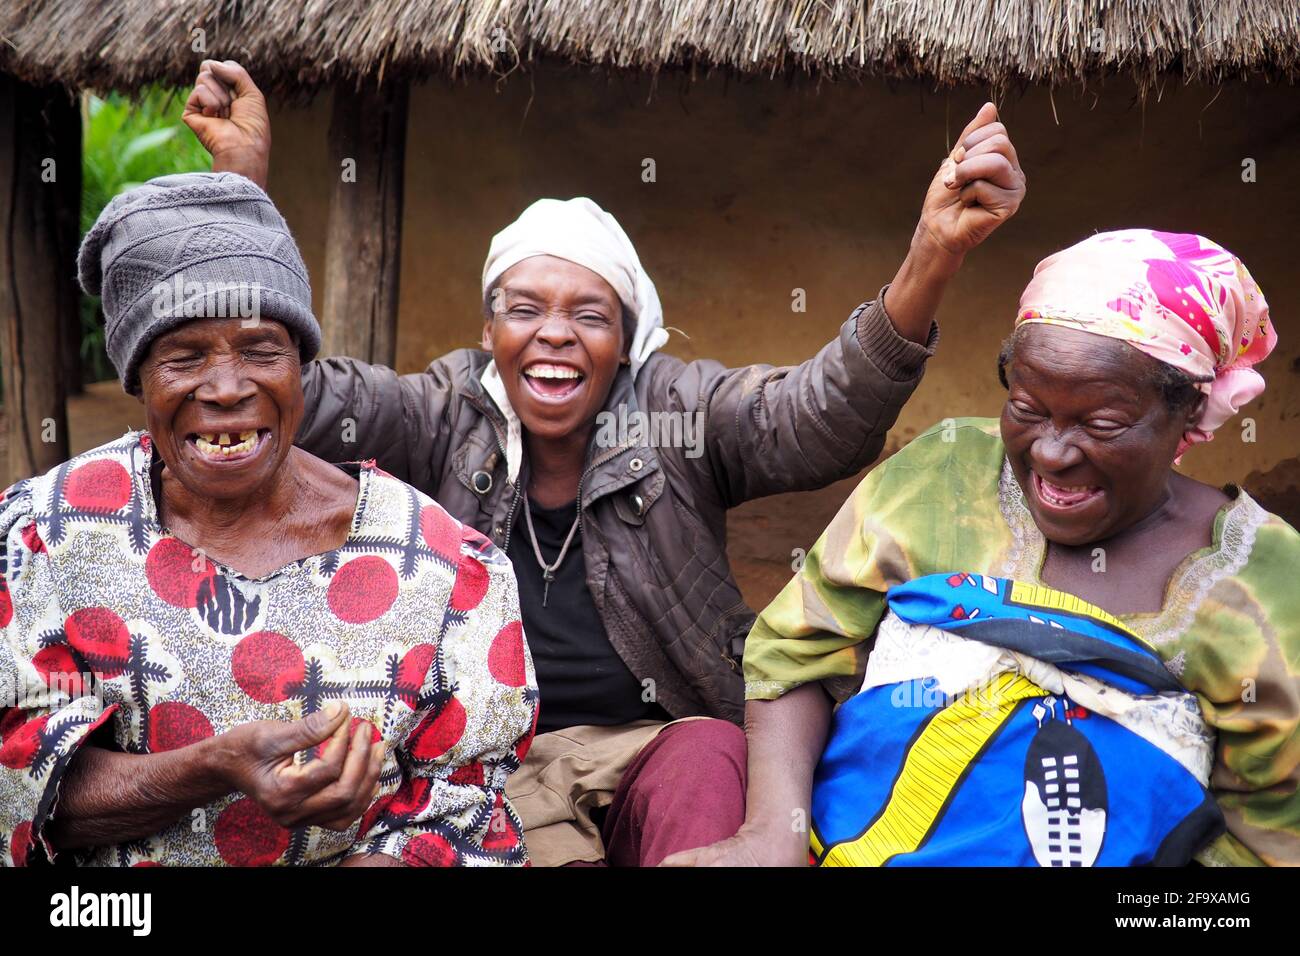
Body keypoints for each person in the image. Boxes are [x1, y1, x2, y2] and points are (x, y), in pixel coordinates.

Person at [182, 60, 1026, 866]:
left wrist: (932, 254)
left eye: (589, 313)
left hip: (655, 744)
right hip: (490, 760)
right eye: (524, 309)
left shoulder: (673, 409)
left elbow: (820, 418)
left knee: (707, 761)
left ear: (626, 342)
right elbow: (296, 392)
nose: (554, 332)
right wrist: (243, 191)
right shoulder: (441, 411)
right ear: (489, 333)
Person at [677, 228, 1298, 867]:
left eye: (1101, 425)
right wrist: (774, 832)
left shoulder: (1267, 584)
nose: (1052, 454)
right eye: (1027, 407)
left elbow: (1271, 836)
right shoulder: (946, 474)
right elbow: (796, 653)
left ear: (1189, 412)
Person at [0, 173, 536, 867]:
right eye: (184, 357)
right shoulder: (51, 536)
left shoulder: (441, 568)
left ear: (303, 368)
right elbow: (18, 779)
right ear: (137, 379)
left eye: (260, 350)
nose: (227, 388)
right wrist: (211, 767)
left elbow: (468, 807)